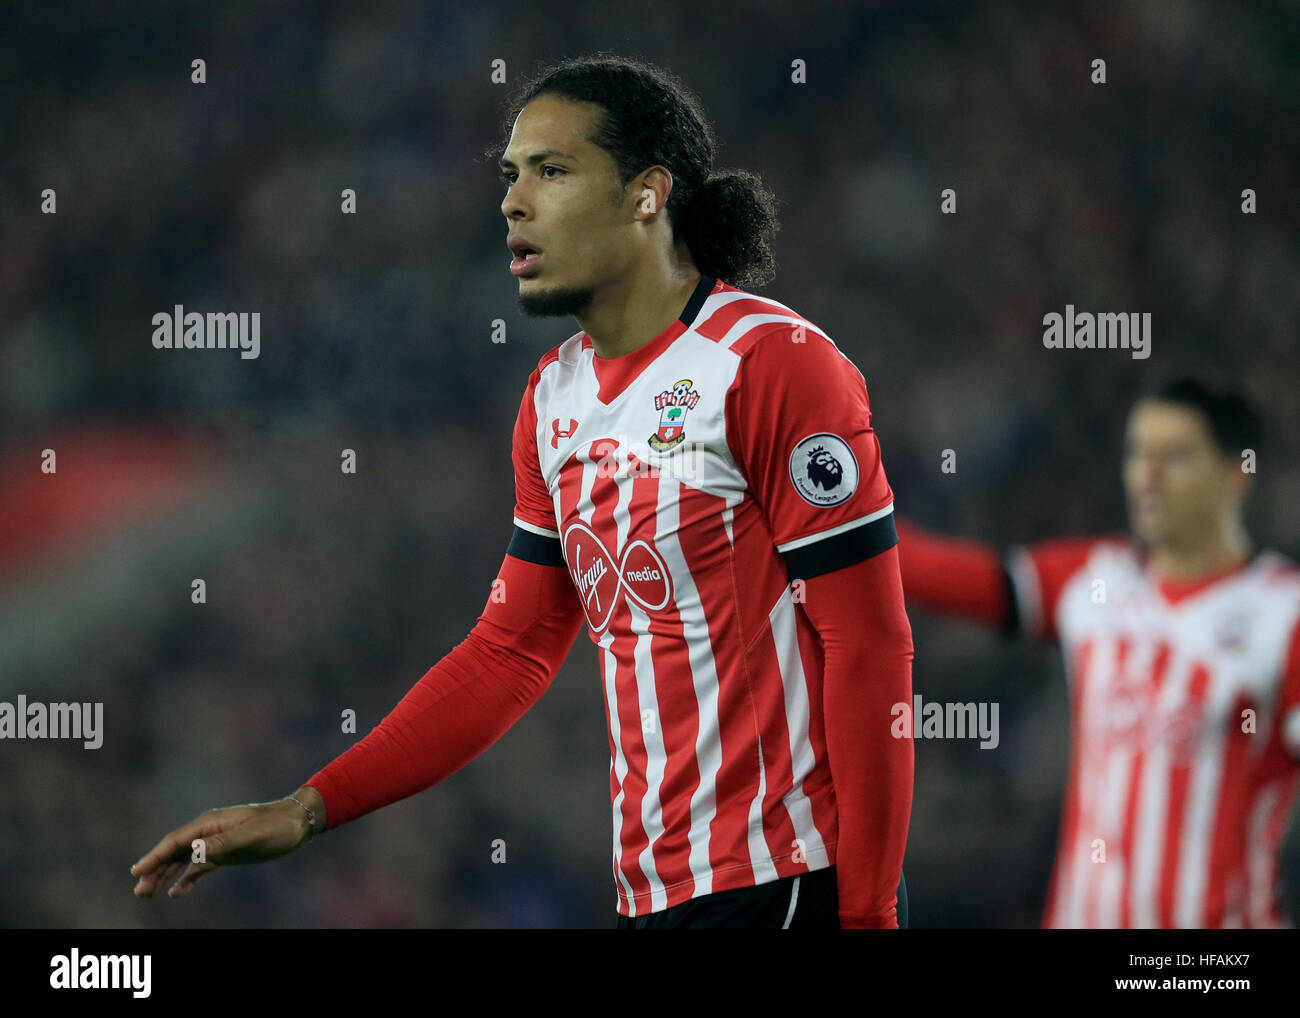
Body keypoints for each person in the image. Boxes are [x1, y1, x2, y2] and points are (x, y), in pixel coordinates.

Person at [130, 54, 914, 929]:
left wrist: (871, 914)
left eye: (551, 170)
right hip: (655, 894)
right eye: (510, 175)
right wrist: (307, 809)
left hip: (789, 880)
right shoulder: (555, 398)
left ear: (647, 194)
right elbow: (512, 651)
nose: (512, 200)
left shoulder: (771, 364)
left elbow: (868, 643)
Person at [894, 377, 1300, 927]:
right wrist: (836, 508)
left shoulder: (1282, 612)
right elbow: (963, 580)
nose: (1147, 474)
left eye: (1175, 455)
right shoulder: (1096, 580)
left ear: (1236, 473)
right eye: (1138, 452)